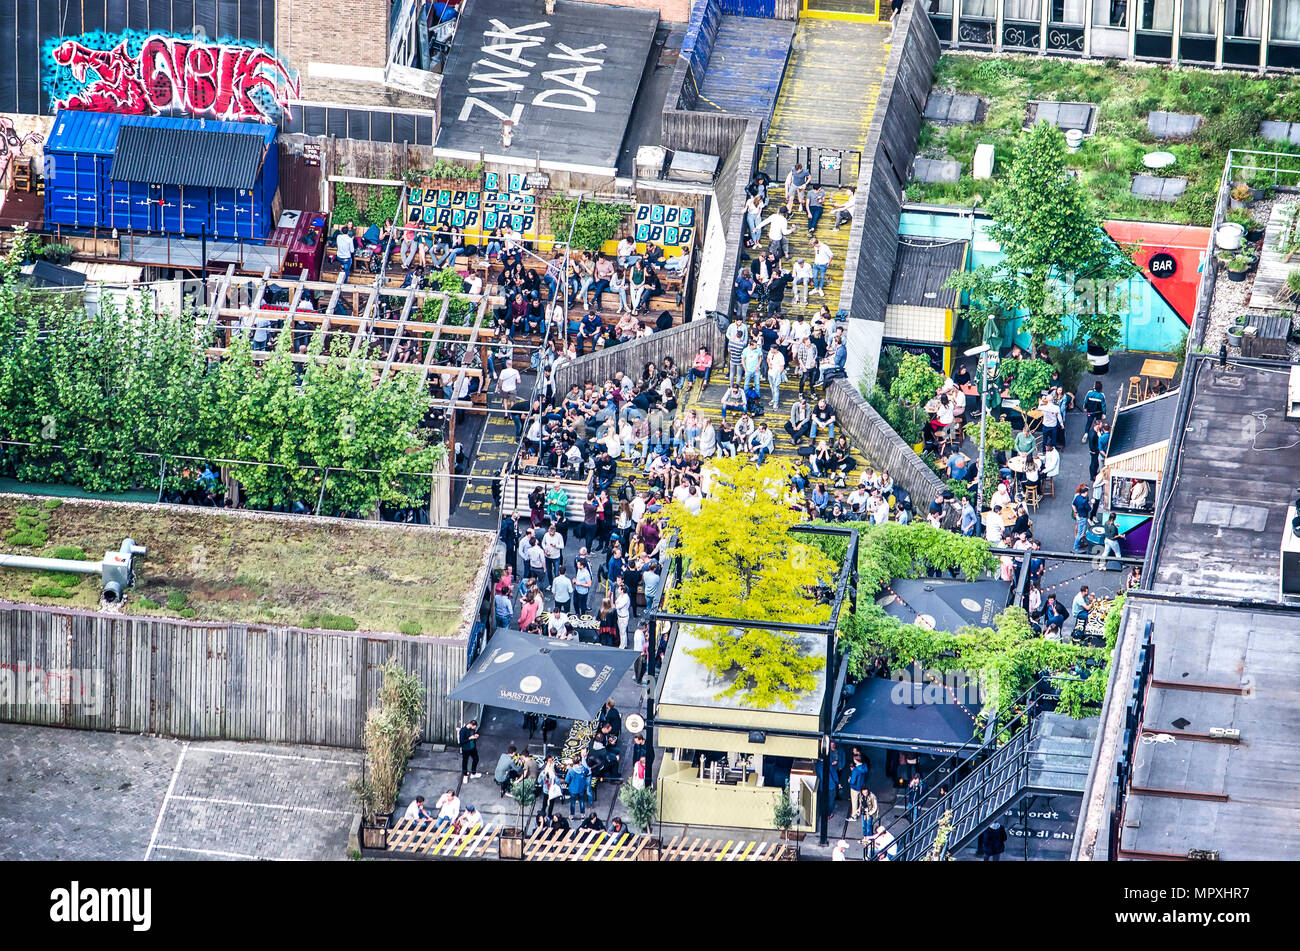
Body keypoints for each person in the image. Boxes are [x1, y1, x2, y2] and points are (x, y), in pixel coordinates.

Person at [566, 752, 593, 817]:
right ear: (579, 762)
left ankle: (572, 815)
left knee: (573, 802)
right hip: (581, 788)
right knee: (581, 801)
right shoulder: (583, 769)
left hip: (573, 789)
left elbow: (567, 780)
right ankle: (582, 815)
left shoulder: (571, 770)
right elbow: (587, 772)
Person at [847, 752, 870, 819]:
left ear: (855, 760)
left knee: (854, 802)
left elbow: (853, 781)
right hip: (862, 786)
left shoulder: (855, 770)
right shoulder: (865, 766)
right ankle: (860, 811)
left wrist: (849, 780)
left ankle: (854, 816)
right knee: (861, 800)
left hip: (855, 788)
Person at [1071, 483, 1092, 552]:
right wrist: (1092, 503)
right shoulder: (1084, 501)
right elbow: (1089, 509)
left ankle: (1079, 543)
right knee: (1080, 533)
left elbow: (1073, 505)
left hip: (1078, 516)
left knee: (1079, 531)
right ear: (1085, 492)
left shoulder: (1077, 497)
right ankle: (1075, 547)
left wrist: (1076, 512)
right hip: (1083, 518)